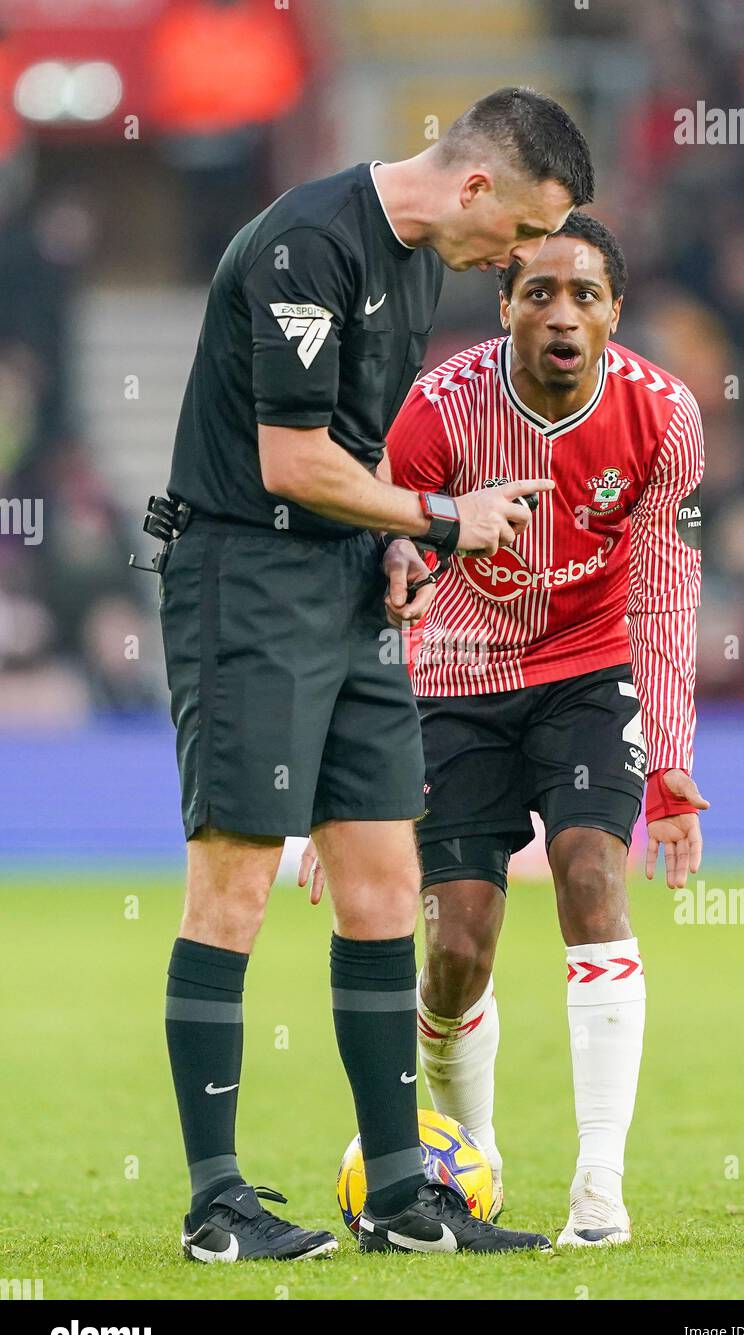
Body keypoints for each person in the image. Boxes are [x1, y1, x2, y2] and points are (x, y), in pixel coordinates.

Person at [158, 88, 594, 1261]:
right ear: (470, 189)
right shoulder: (310, 242)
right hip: (243, 577)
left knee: (382, 882)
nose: (511, 261)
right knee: (235, 885)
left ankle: (402, 1197)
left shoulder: (412, 265)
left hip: (347, 584)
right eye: (515, 235)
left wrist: (397, 535)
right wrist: (446, 519)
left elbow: (348, 454)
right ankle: (215, 1208)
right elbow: (292, 460)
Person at [301, 212, 708, 1249]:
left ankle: (597, 1191)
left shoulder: (661, 416)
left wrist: (670, 761)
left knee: (587, 876)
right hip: (451, 680)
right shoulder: (435, 414)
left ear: (615, 310)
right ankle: (469, 1161)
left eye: (582, 294)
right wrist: (329, 787)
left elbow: (662, 594)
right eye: (538, 293)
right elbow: (367, 584)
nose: (560, 313)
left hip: (587, 673)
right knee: (459, 946)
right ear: (504, 308)